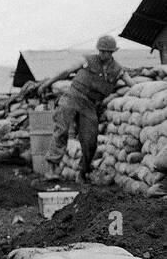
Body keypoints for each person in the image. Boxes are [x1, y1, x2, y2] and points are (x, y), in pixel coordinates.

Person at [45, 35, 131, 181]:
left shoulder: (118, 69)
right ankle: (52, 169)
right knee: (62, 130)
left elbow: (132, 83)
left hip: (90, 105)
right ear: (98, 50)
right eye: (102, 51)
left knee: (90, 141)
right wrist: (47, 83)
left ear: (112, 52)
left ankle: (82, 171)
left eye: (108, 51)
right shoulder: (87, 60)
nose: (104, 54)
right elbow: (66, 71)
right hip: (73, 96)